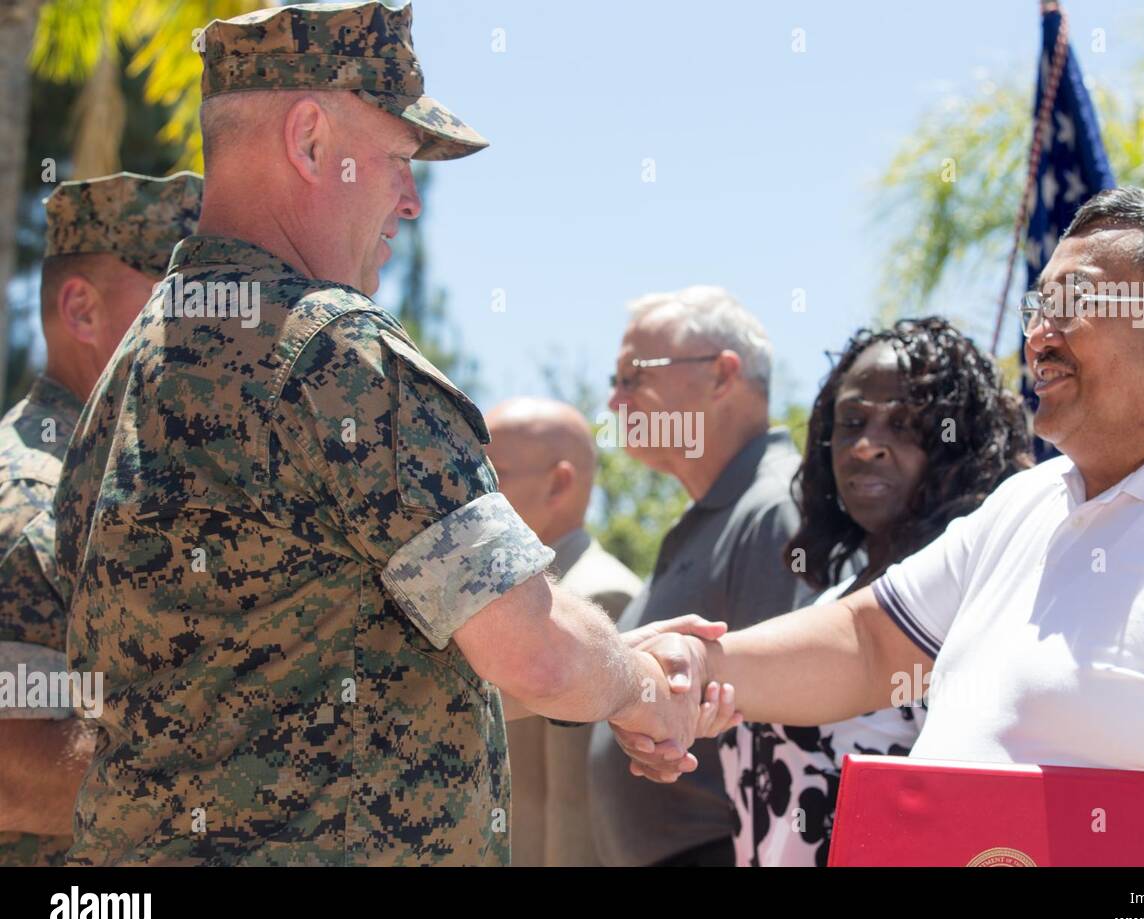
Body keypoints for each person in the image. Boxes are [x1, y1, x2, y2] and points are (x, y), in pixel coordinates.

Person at [52, 1, 725, 867]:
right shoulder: (329, 344)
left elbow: (346, 666)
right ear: (307, 141)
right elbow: (532, 650)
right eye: (400, 161)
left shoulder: (120, 378)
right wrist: (638, 686)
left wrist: (619, 664)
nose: (408, 201)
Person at [621, 188, 1144, 867]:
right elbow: (871, 648)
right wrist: (704, 665)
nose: (1038, 337)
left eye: (1077, 305)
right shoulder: (1028, 504)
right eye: (1037, 309)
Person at [720, 317, 1032, 866]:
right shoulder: (830, 602)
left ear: (966, 444)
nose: (868, 447)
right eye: (852, 421)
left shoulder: (977, 607)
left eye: (906, 425)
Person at [0, 171, 202, 867]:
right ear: (81, 311)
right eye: (177, 301)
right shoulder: (39, 500)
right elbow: (10, 769)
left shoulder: (104, 486)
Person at [588, 285, 805, 867]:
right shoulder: (708, 517)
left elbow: (792, 725)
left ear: (721, 375)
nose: (614, 402)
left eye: (633, 377)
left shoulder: (775, 509)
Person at [484, 397, 643, 866]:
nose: (469, 495)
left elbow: (575, 805)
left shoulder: (600, 599)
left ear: (559, 483)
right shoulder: (518, 597)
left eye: (491, 475)